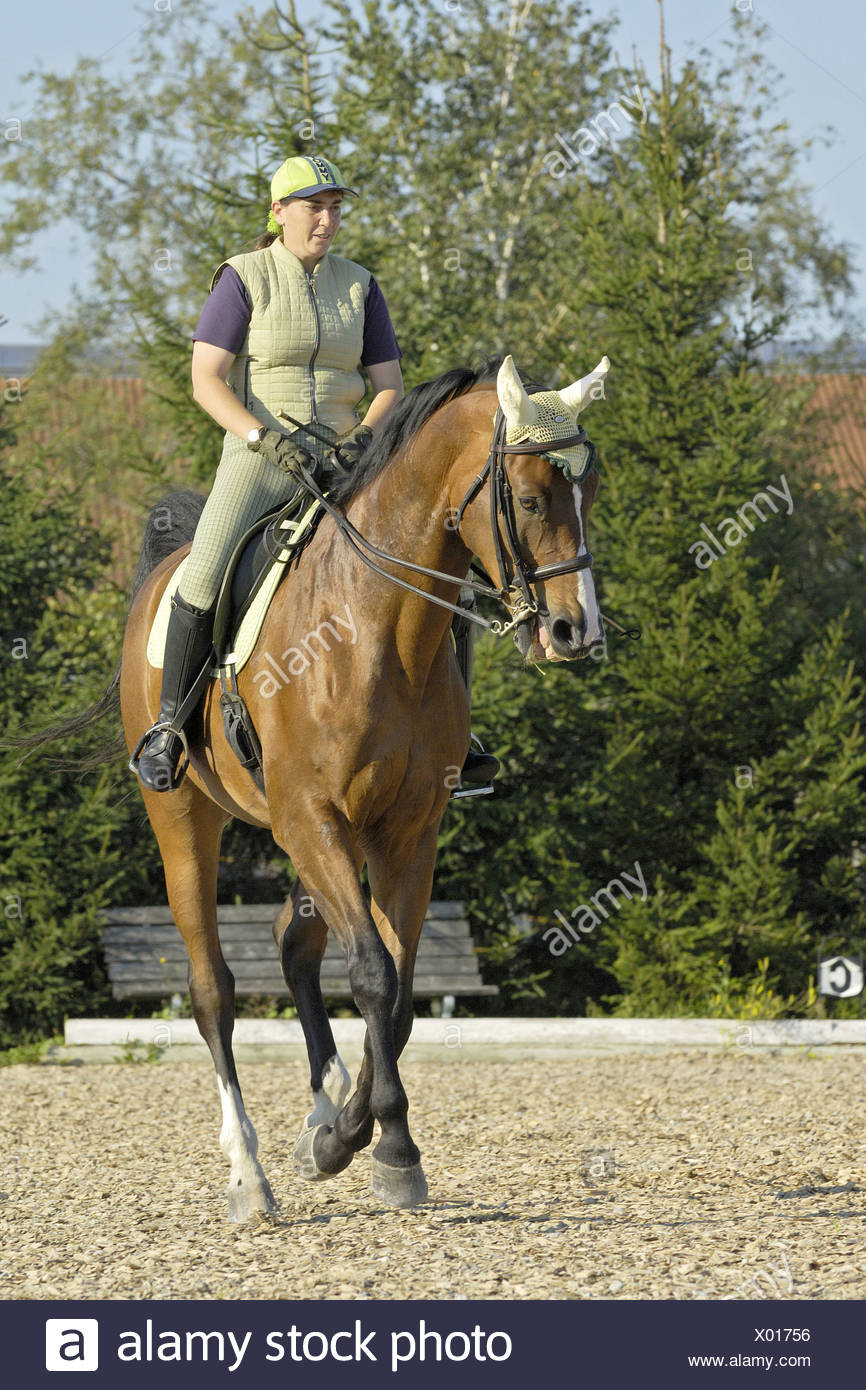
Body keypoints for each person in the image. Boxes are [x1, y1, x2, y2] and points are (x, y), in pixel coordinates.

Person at [130, 153, 498, 794]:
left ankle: (454, 738)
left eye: (335, 208)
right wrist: (263, 439)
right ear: (278, 212)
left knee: (444, 571)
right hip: (259, 458)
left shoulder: (360, 284)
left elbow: (389, 386)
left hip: (348, 460)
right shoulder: (242, 279)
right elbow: (205, 379)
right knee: (207, 565)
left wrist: (360, 443)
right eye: (313, 207)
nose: (327, 220)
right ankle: (168, 725)